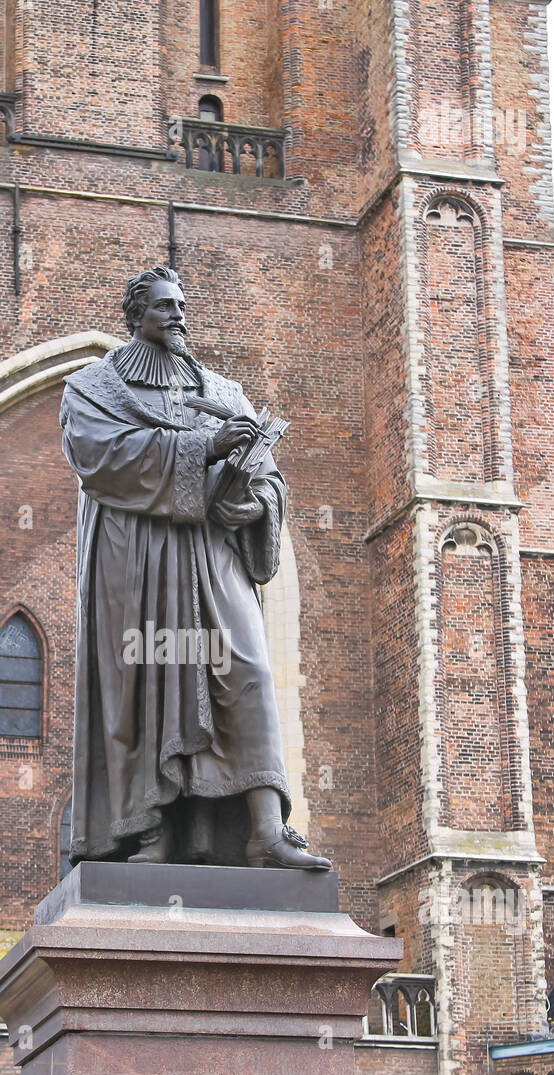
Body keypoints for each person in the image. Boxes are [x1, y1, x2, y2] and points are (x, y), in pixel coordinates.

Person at [60, 265, 331, 870]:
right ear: (136, 317)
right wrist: (203, 448)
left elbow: (268, 484)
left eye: (181, 305)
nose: (177, 314)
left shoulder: (226, 393)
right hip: (137, 559)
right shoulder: (95, 388)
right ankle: (150, 834)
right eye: (163, 306)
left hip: (213, 557)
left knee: (248, 672)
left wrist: (248, 491)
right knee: (150, 678)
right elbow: (100, 458)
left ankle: (266, 830)